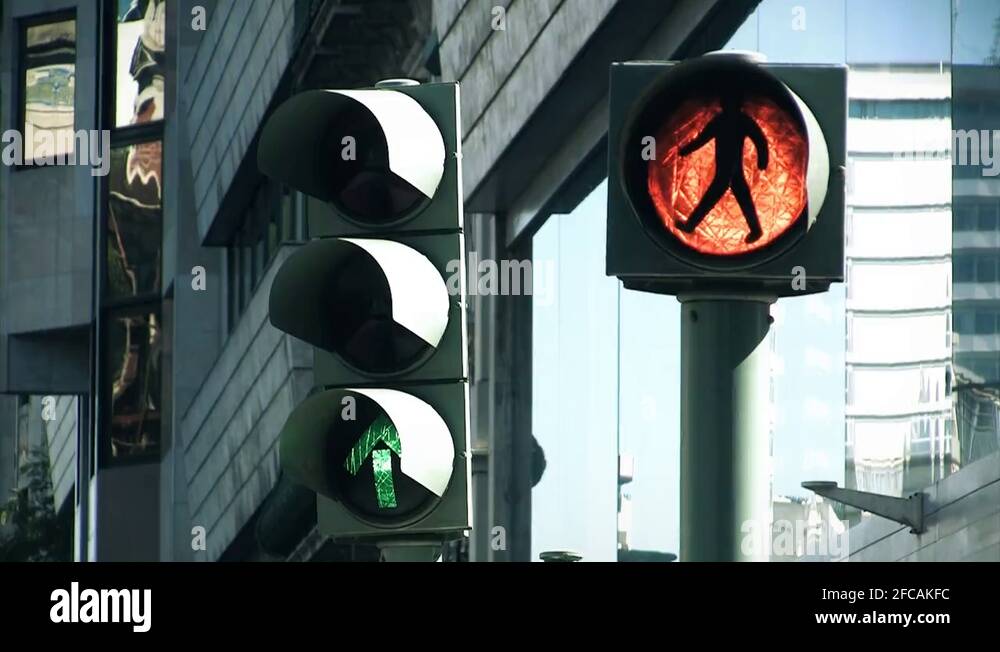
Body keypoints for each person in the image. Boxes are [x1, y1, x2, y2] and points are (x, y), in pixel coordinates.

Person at [675, 89, 769, 243]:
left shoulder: (733, 120)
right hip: (730, 167)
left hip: (728, 168)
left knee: (713, 196)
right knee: (740, 196)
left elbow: (760, 140)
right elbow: (702, 139)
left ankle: (691, 225)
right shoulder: (727, 120)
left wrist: (762, 160)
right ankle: (755, 229)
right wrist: (686, 150)